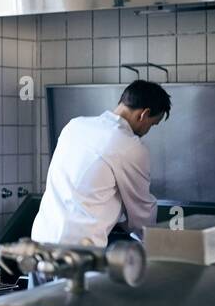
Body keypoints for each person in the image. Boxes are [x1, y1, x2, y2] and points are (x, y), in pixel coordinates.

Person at [30, 79, 170, 251]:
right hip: (77, 251)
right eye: (152, 124)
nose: (148, 130)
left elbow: (88, 190)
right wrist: (153, 247)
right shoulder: (130, 146)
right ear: (144, 114)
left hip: (40, 240)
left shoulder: (74, 125)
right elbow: (141, 211)